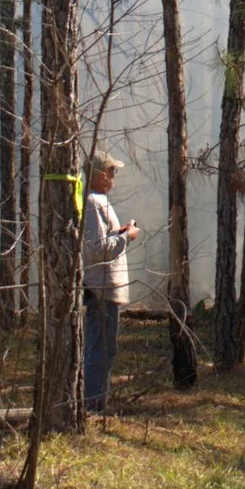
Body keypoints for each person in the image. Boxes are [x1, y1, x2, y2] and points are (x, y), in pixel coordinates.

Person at [82, 152, 139, 414]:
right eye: (110, 171)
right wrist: (126, 238)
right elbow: (96, 249)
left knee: (105, 350)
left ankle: (96, 404)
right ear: (98, 174)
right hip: (102, 288)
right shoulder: (93, 202)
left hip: (106, 288)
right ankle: (93, 407)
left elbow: (102, 242)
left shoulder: (99, 202)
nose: (113, 176)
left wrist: (120, 233)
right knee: (100, 351)